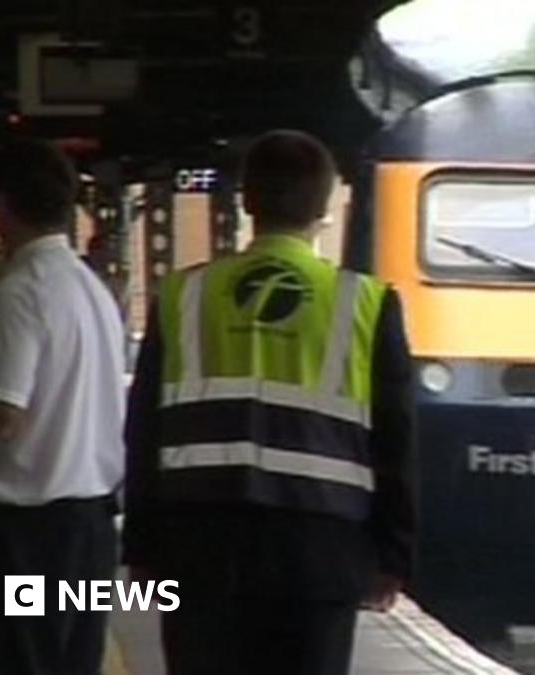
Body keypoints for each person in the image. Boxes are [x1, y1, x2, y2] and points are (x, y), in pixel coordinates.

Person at [123, 130, 415, 675]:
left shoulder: (184, 296)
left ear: (246, 200)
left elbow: (143, 431)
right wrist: (392, 555)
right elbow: (395, 441)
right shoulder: (367, 304)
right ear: (325, 204)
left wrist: (141, 545)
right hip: (320, 551)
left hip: (197, 548)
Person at [0, 138, 126, 674]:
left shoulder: (18, 295)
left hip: (22, 541)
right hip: (88, 530)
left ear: (2, 206)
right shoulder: (91, 291)